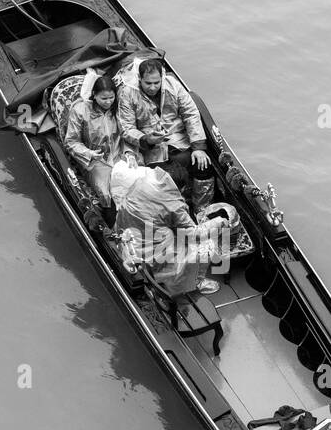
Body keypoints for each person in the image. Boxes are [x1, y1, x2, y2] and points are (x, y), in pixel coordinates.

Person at [109, 159, 227, 297]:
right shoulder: (174, 205)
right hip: (147, 258)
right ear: (182, 188)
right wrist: (220, 222)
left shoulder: (143, 180)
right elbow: (195, 234)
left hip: (124, 237)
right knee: (206, 244)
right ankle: (197, 283)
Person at [116, 56, 215, 211]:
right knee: (168, 179)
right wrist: (146, 138)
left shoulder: (173, 85)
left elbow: (190, 113)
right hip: (152, 149)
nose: (153, 87)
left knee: (204, 165)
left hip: (179, 141)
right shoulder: (127, 93)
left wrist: (198, 147)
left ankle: (201, 209)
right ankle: (176, 213)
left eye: (157, 82)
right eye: (148, 83)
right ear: (139, 79)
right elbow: (126, 128)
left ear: (162, 78)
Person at [63, 72, 125, 215]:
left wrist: (128, 153)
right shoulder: (80, 110)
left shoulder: (118, 107)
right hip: (94, 160)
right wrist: (89, 153)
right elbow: (71, 141)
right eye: (104, 98)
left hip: (118, 154)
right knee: (105, 192)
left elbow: (127, 133)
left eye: (111, 98)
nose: (108, 102)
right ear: (94, 95)